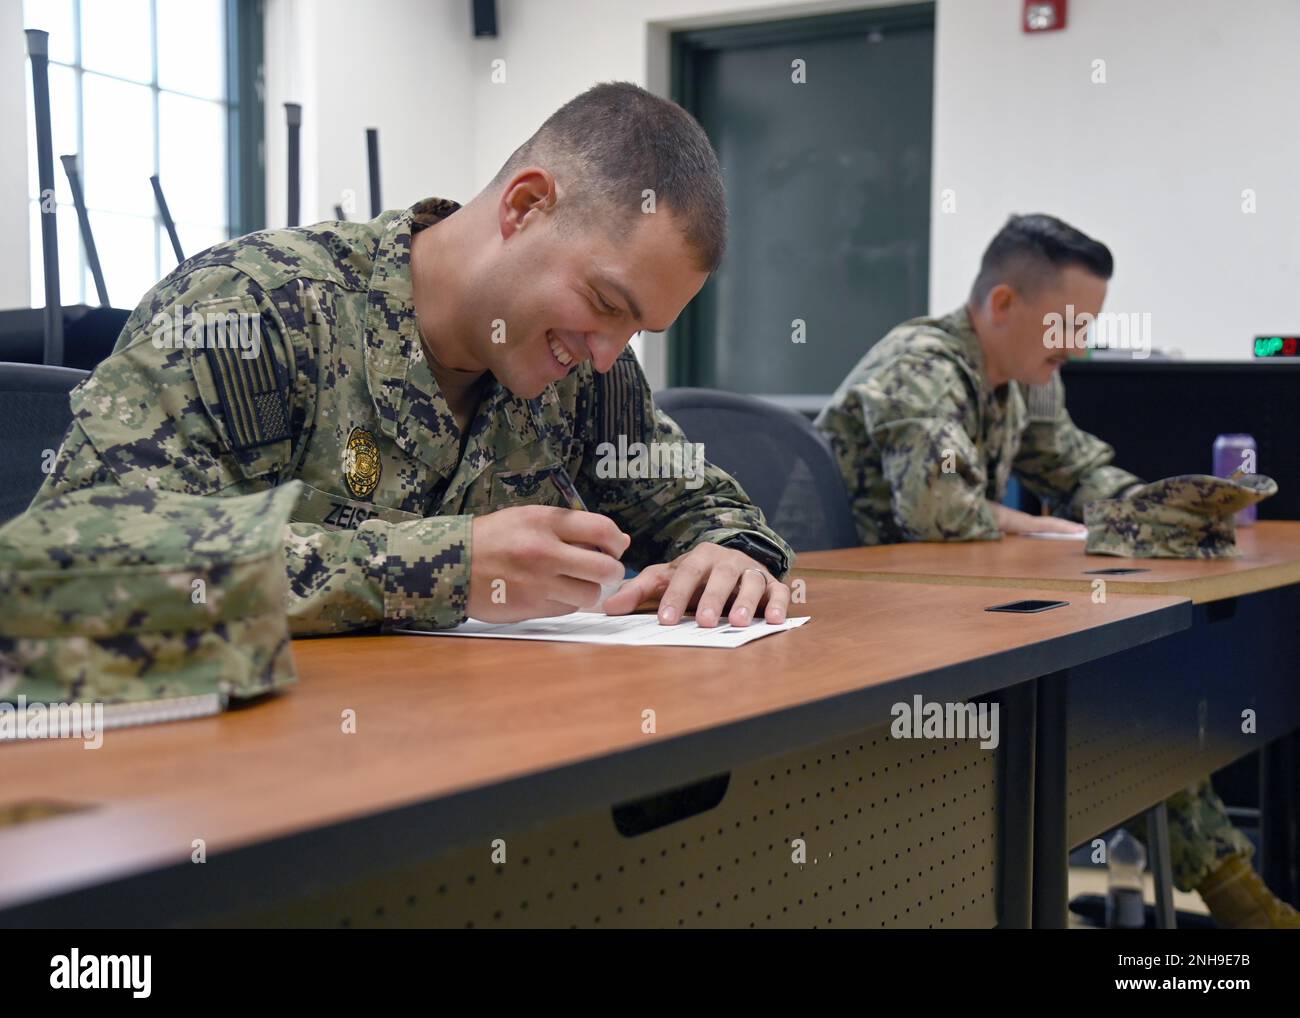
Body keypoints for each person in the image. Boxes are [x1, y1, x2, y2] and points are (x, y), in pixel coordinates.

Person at [31, 82, 793, 636]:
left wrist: (731, 554)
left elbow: (692, 498)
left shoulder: (585, 370)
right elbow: (83, 560)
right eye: (606, 304)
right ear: (525, 207)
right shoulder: (255, 312)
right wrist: (444, 565)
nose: (606, 357)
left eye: (635, 332)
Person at [815, 213, 1298, 928]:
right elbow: (939, 513)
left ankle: (1241, 900)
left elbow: (1083, 468)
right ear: (1004, 304)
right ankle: (1243, 905)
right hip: (867, 642)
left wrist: (1170, 511)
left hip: (958, 622)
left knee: (1136, 695)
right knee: (1115, 699)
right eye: (1068, 325)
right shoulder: (920, 364)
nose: (1078, 345)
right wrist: (1050, 525)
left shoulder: (1022, 380)